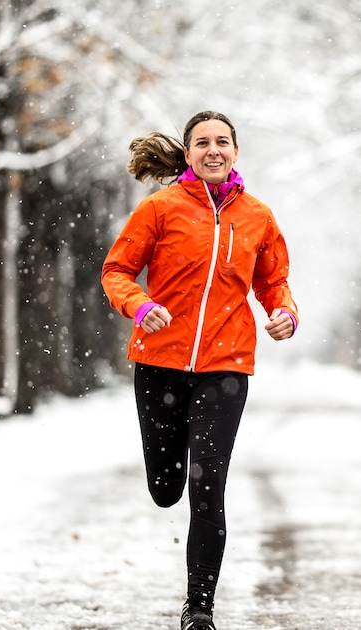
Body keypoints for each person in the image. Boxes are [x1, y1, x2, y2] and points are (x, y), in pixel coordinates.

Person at [101, 111, 298, 630]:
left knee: (208, 486)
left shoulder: (257, 217)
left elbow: (274, 282)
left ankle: (200, 607)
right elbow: (117, 270)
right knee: (166, 488)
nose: (214, 150)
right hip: (159, 364)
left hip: (225, 367)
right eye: (203, 142)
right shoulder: (160, 208)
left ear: (235, 152)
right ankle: (167, 486)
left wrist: (284, 312)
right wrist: (140, 305)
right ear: (187, 154)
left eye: (223, 142)